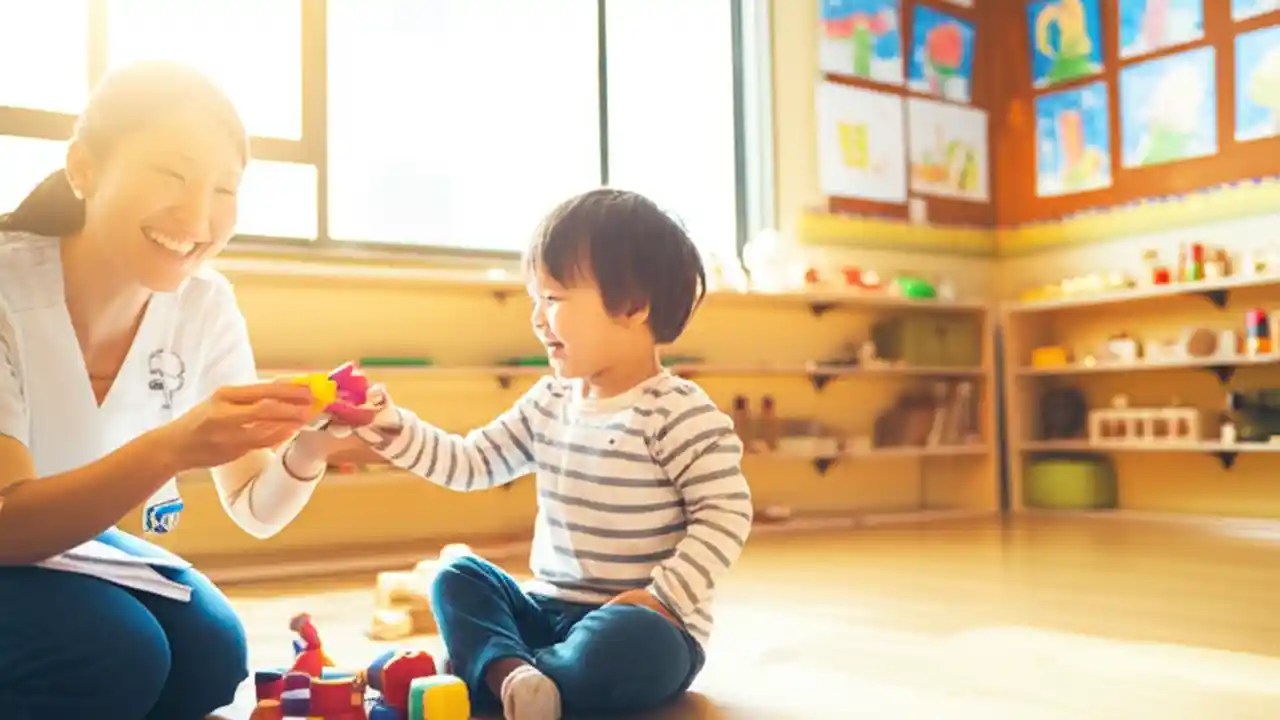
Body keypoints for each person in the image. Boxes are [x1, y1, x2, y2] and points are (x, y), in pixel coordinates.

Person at [0, 62, 355, 719]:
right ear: (84, 169)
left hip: (58, 542)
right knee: (115, 651)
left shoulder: (205, 305)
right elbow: (6, 526)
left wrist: (309, 449)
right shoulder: (7, 289)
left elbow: (254, 505)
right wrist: (171, 449)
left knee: (212, 654)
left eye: (225, 188)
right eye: (171, 174)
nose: (197, 216)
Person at [328, 189, 754, 719]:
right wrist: (391, 427)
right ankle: (517, 677)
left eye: (553, 299)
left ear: (633, 307)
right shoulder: (549, 402)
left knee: (632, 642)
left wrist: (662, 596)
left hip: (643, 621)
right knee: (455, 574)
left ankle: (495, 671)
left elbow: (726, 514)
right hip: (545, 610)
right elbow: (470, 463)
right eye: (535, 298)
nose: (536, 317)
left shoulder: (679, 412)